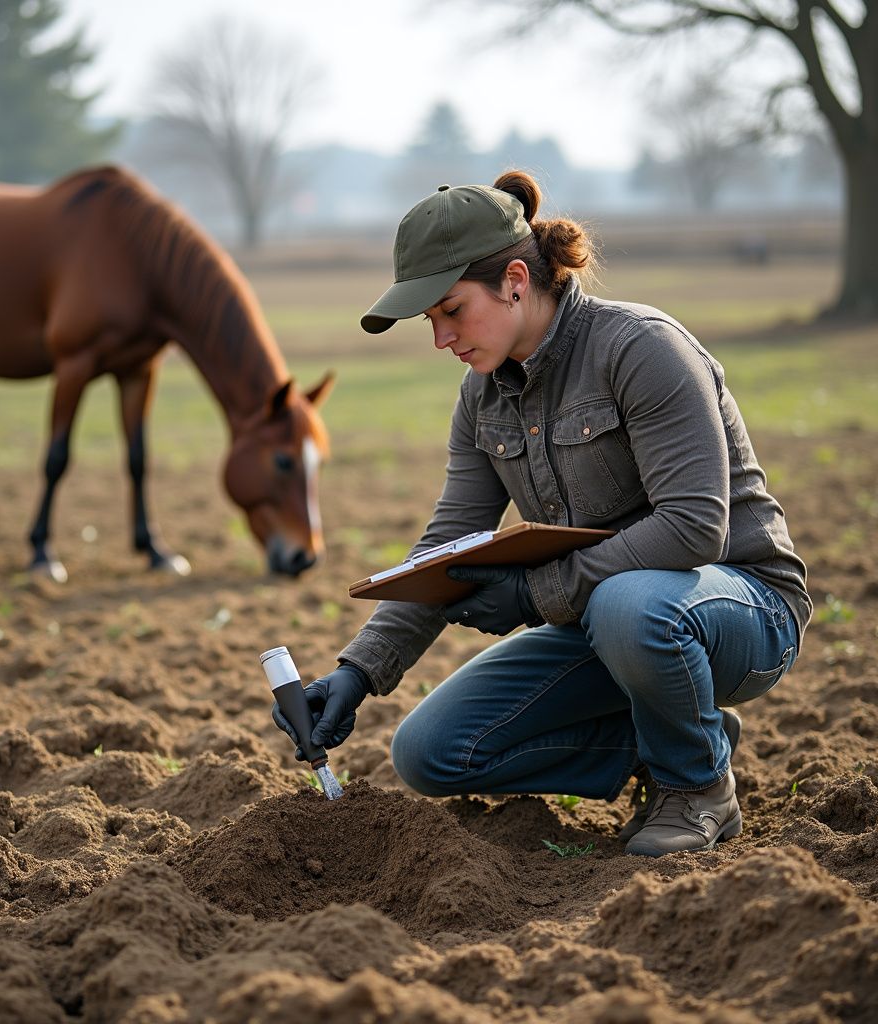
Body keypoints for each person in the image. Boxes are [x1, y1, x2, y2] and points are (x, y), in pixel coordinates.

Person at [272, 171, 810, 857]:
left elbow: (694, 527)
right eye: (430, 321)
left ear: (517, 281)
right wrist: (357, 673)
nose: (440, 338)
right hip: (613, 621)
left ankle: (696, 784)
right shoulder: (481, 399)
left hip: (744, 610)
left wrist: (534, 593)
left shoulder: (641, 349)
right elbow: (450, 542)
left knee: (628, 605)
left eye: (450, 310)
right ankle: (679, 737)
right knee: (431, 752)